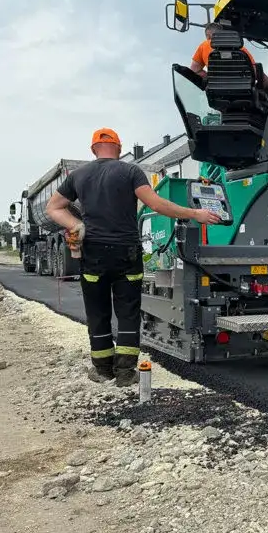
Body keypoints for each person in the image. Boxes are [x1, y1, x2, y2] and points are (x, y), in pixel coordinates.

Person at [46, 128, 222, 386]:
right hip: (126, 253)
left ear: (93, 149)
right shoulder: (130, 172)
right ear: (118, 148)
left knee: (97, 312)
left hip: (93, 254)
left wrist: (76, 226)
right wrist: (196, 214)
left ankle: (103, 370)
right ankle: (126, 373)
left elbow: (54, 207)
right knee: (128, 312)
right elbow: (156, 204)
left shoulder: (79, 176)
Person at [189, 22, 268, 87]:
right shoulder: (239, 48)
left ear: (208, 36)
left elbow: (194, 70)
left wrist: (212, 78)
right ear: (222, 34)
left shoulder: (204, 46)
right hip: (244, 92)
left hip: (218, 92)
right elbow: (256, 72)